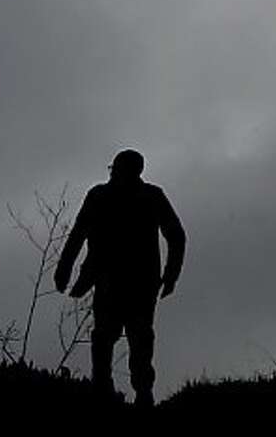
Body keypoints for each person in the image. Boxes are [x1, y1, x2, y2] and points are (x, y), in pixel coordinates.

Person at [54, 149, 186, 407]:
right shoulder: (106, 196)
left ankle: (137, 392)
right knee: (116, 336)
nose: (114, 172)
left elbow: (176, 236)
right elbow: (79, 233)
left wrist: (171, 275)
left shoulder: (138, 196)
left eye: (116, 168)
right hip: (120, 280)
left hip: (132, 281)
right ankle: (110, 389)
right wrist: (65, 269)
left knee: (130, 336)